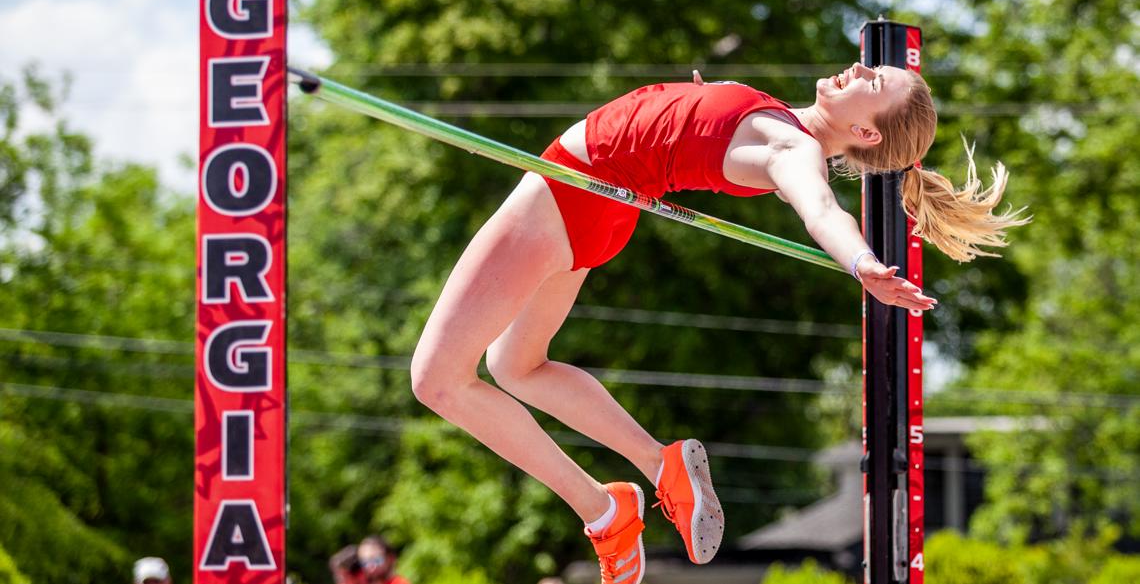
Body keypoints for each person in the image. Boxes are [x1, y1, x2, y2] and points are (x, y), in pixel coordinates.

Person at [410, 63, 1027, 584]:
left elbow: (818, 208)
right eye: (872, 66)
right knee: (514, 366)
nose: (859, 68)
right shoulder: (781, 121)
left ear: (865, 129)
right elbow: (698, 129)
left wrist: (862, 262)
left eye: (874, 80)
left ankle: (602, 511)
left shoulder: (795, 151)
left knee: (437, 379)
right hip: (596, 203)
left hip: (572, 191)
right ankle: (657, 469)